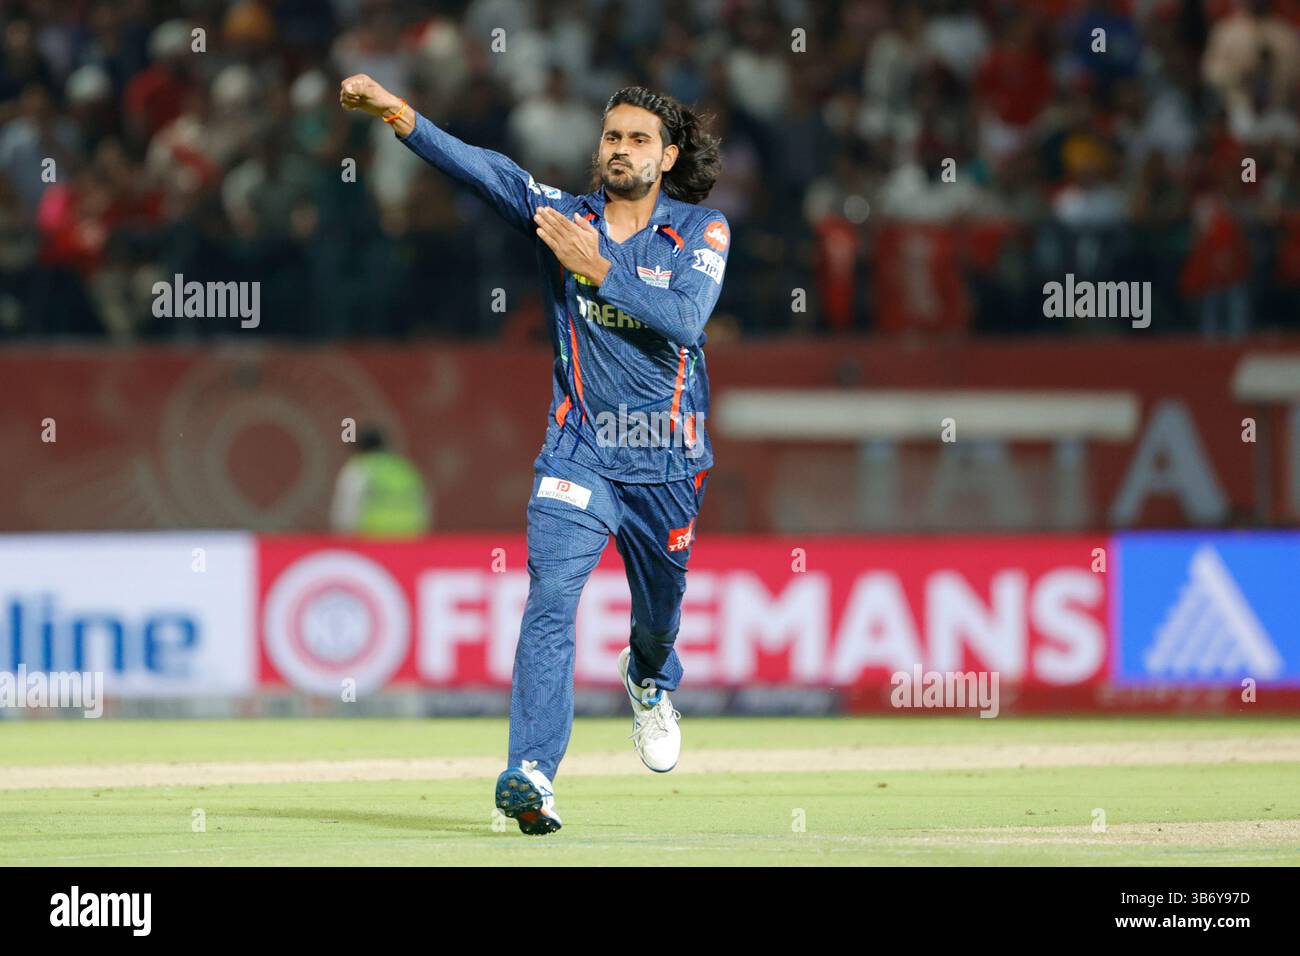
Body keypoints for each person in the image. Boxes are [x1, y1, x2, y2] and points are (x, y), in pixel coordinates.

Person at [340, 74, 728, 835]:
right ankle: (532, 774)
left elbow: (687, 320)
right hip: (578, 450)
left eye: (638, 140)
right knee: (550, 601)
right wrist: (400, 114)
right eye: (612, 137)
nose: (620, 150)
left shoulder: (702, 230)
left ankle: (649, 681)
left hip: (668, 461)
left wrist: (600, 269)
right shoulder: (563, 216)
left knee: (659, 622)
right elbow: (485, 170)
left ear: (668, 156)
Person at [329, 425, 431, 537]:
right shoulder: (405, 469)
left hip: (372, 540)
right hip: (409, 538)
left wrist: (344, 540)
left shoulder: (359, 468)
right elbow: (424, 503)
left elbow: (346, 508)